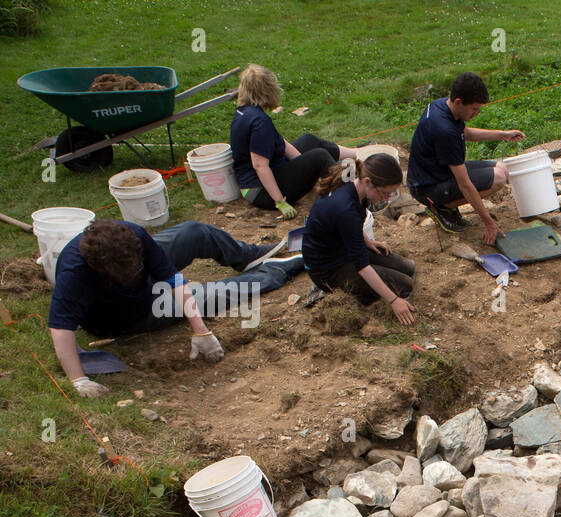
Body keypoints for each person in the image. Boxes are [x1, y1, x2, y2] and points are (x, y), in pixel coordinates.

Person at [48, 220, 303, 398]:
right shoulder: (76, 274)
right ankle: (279, 269)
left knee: (194, 232)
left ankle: (249, 256)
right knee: (217, 293)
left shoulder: (131, 237)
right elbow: (60, 329)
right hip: (127, 314)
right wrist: (78, 379)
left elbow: (172, 279)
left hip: (143, 280)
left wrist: (200, 330)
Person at [407, 72, 524, 244]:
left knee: (501, 168)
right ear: (458, 102)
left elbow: (463, 132)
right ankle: (442, 208)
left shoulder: (441, 106)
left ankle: (447, 204)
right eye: (474, 109)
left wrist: (502, 135)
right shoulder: (444, 131)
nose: (477, 113)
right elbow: (465, 185)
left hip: (436, 172)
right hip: (428, 187)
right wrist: (489, 223)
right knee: (498, 178)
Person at [229, 64, 359, 219]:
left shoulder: (244, 112)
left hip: (268, 175)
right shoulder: (260, 122)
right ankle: (351, 196)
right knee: (319, 157)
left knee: (308, 140)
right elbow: (259, 165)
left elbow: (282, 144)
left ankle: (359, 154)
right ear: (269, 90)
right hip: (261, 192)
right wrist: (280, 202)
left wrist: (304, 167)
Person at [301, 153, 416, 326]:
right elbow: (362, 267)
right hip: (327, 269)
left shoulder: (355, 188)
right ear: (368, 181)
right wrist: (393, 301)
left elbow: (348, 225)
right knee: (404, 287)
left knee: (408, 268)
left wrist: (367, 242)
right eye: (384, 193)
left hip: (341, 248)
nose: (386, 199)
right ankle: (327, 289)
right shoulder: (344, 208)